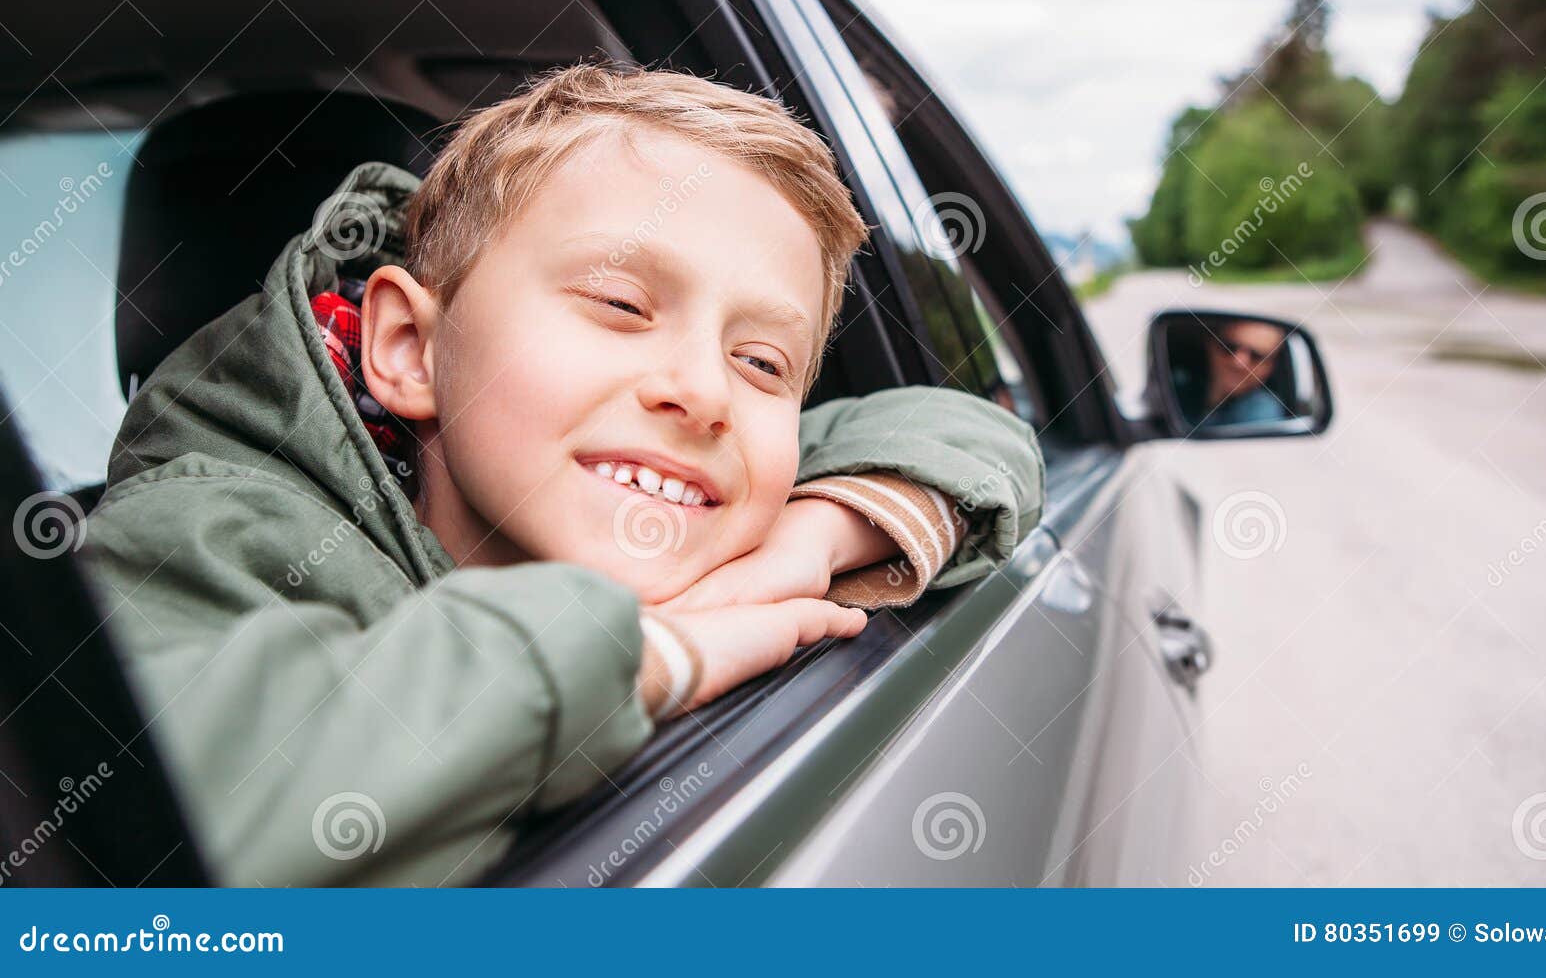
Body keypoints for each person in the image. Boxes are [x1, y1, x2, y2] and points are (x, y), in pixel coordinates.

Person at [80, 64, 1045, 886]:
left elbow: (972, 431)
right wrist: (654, 655)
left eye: (763, 363)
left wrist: (808, 538)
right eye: (622, 303)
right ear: (411, 350)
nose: (705, 392)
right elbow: (173, 819)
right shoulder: (200, 532)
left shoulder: (730, 488)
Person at [1174, 318, 1291, 427]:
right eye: (1229, 347)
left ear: (1270, 367)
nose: (1238, 362)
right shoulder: (1176, 387)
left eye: (1256, 356)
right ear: (1210, 345)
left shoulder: (1263, 410)